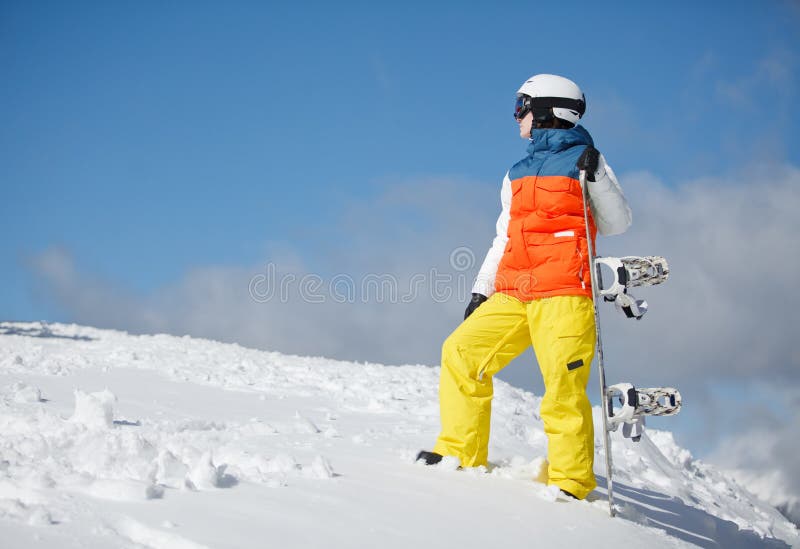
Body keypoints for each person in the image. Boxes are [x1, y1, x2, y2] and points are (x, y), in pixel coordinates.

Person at [417, 74, 632, 500]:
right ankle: (460, 452)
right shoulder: (515, 172)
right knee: (461, 351)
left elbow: (617, 222)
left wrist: (597, 176)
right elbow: (504, 236)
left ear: (548, 110)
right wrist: (482, 290)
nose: (517, 116)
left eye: (522, 106)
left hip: (564, 294)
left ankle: (570, 482)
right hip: (514, 290)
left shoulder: (587, 161)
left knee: (562, 389)